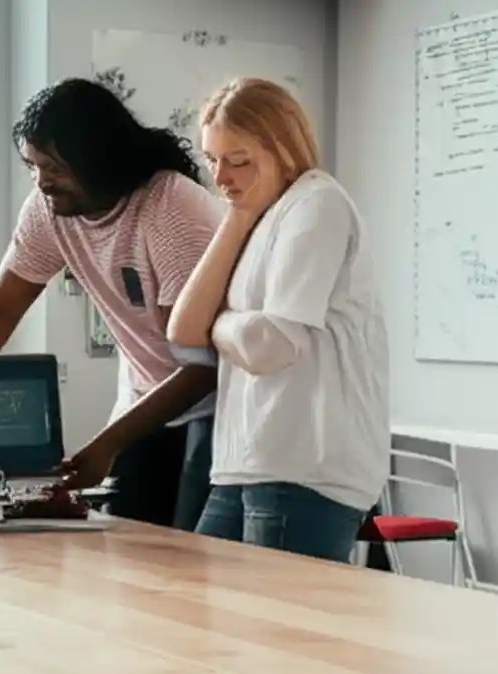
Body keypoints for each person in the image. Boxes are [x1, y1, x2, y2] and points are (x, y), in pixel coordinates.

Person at [0, 78, 223, 529]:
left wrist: (108, 443)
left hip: (215, 408)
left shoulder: (171, 207)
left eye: (53, 167)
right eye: (32, 166)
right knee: (134, 553)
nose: (42, 181)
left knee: (193, 562)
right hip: (146, 406)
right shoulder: (48, 210)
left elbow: (200, 366)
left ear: (99, 158)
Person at [166, 77, 389, 562]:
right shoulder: (261, 215)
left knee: (272, 632)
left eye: (238, 160)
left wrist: (220, 322)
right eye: (212, 160)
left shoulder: (317, 203)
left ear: (283, 147)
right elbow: (183, 332)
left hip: (303, 467)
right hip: (246, 461)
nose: (221, 176)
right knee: (206, 615)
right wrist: (237, 218)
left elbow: (270, 346)